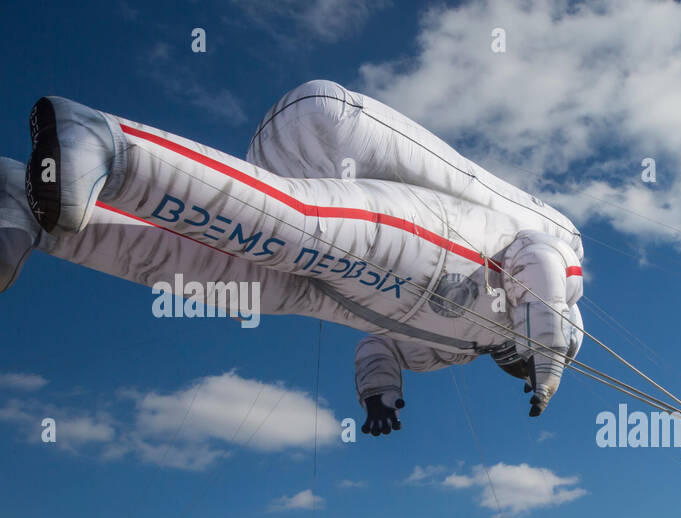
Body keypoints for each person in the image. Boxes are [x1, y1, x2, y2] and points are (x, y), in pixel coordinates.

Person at [0, 80, 584, 421]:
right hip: (435, 235)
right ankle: (107, 142)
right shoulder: (558, 278)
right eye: (525, 362)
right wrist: (551, 348)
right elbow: (540, 256)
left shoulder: (458, 350)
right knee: (302, 225)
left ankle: (32, 211)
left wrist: (380, 394)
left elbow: (382, 345)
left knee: (221, 276)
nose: (516, 370)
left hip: (345, 292)